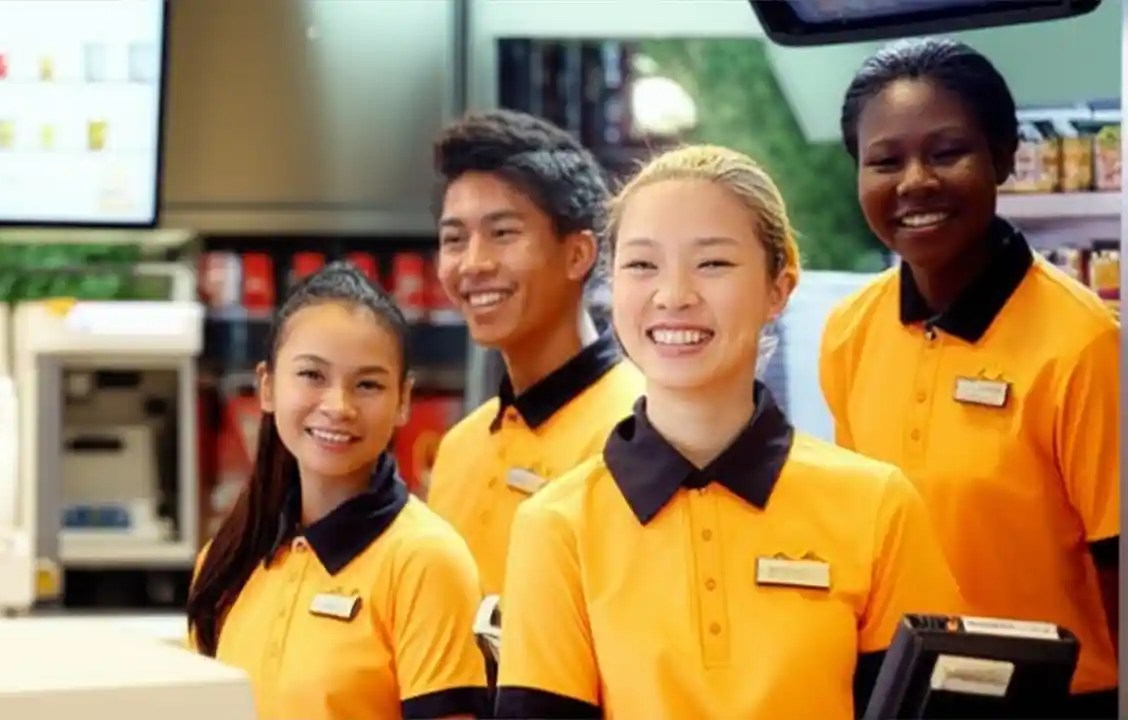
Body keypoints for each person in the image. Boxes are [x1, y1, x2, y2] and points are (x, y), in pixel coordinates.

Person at [495, 144, 963, 718]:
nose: (673, 296)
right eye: (642, 265)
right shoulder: (557, 526)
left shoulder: (876, 505)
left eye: (712, 263)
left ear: (779, 287)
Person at [821, 37, 1119, 716]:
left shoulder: (1084, 344)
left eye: (947, 151)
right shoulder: (849, 332)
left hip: (1060, 699)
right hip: (901, 694)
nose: (915, 181)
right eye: (885, 161)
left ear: (1005, 157)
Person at [186, 263, 488, 720]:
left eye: (367, 384)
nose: (338, 406)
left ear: (403, 400)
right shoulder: (225, 560)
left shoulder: (426, 561)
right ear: (266, 386)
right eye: (312, 375)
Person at [425, 109, 644, 596]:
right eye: (454, 239)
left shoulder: (635, 434)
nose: (473, 263)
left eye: (503, 233)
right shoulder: (460, 445)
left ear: (577, 254)